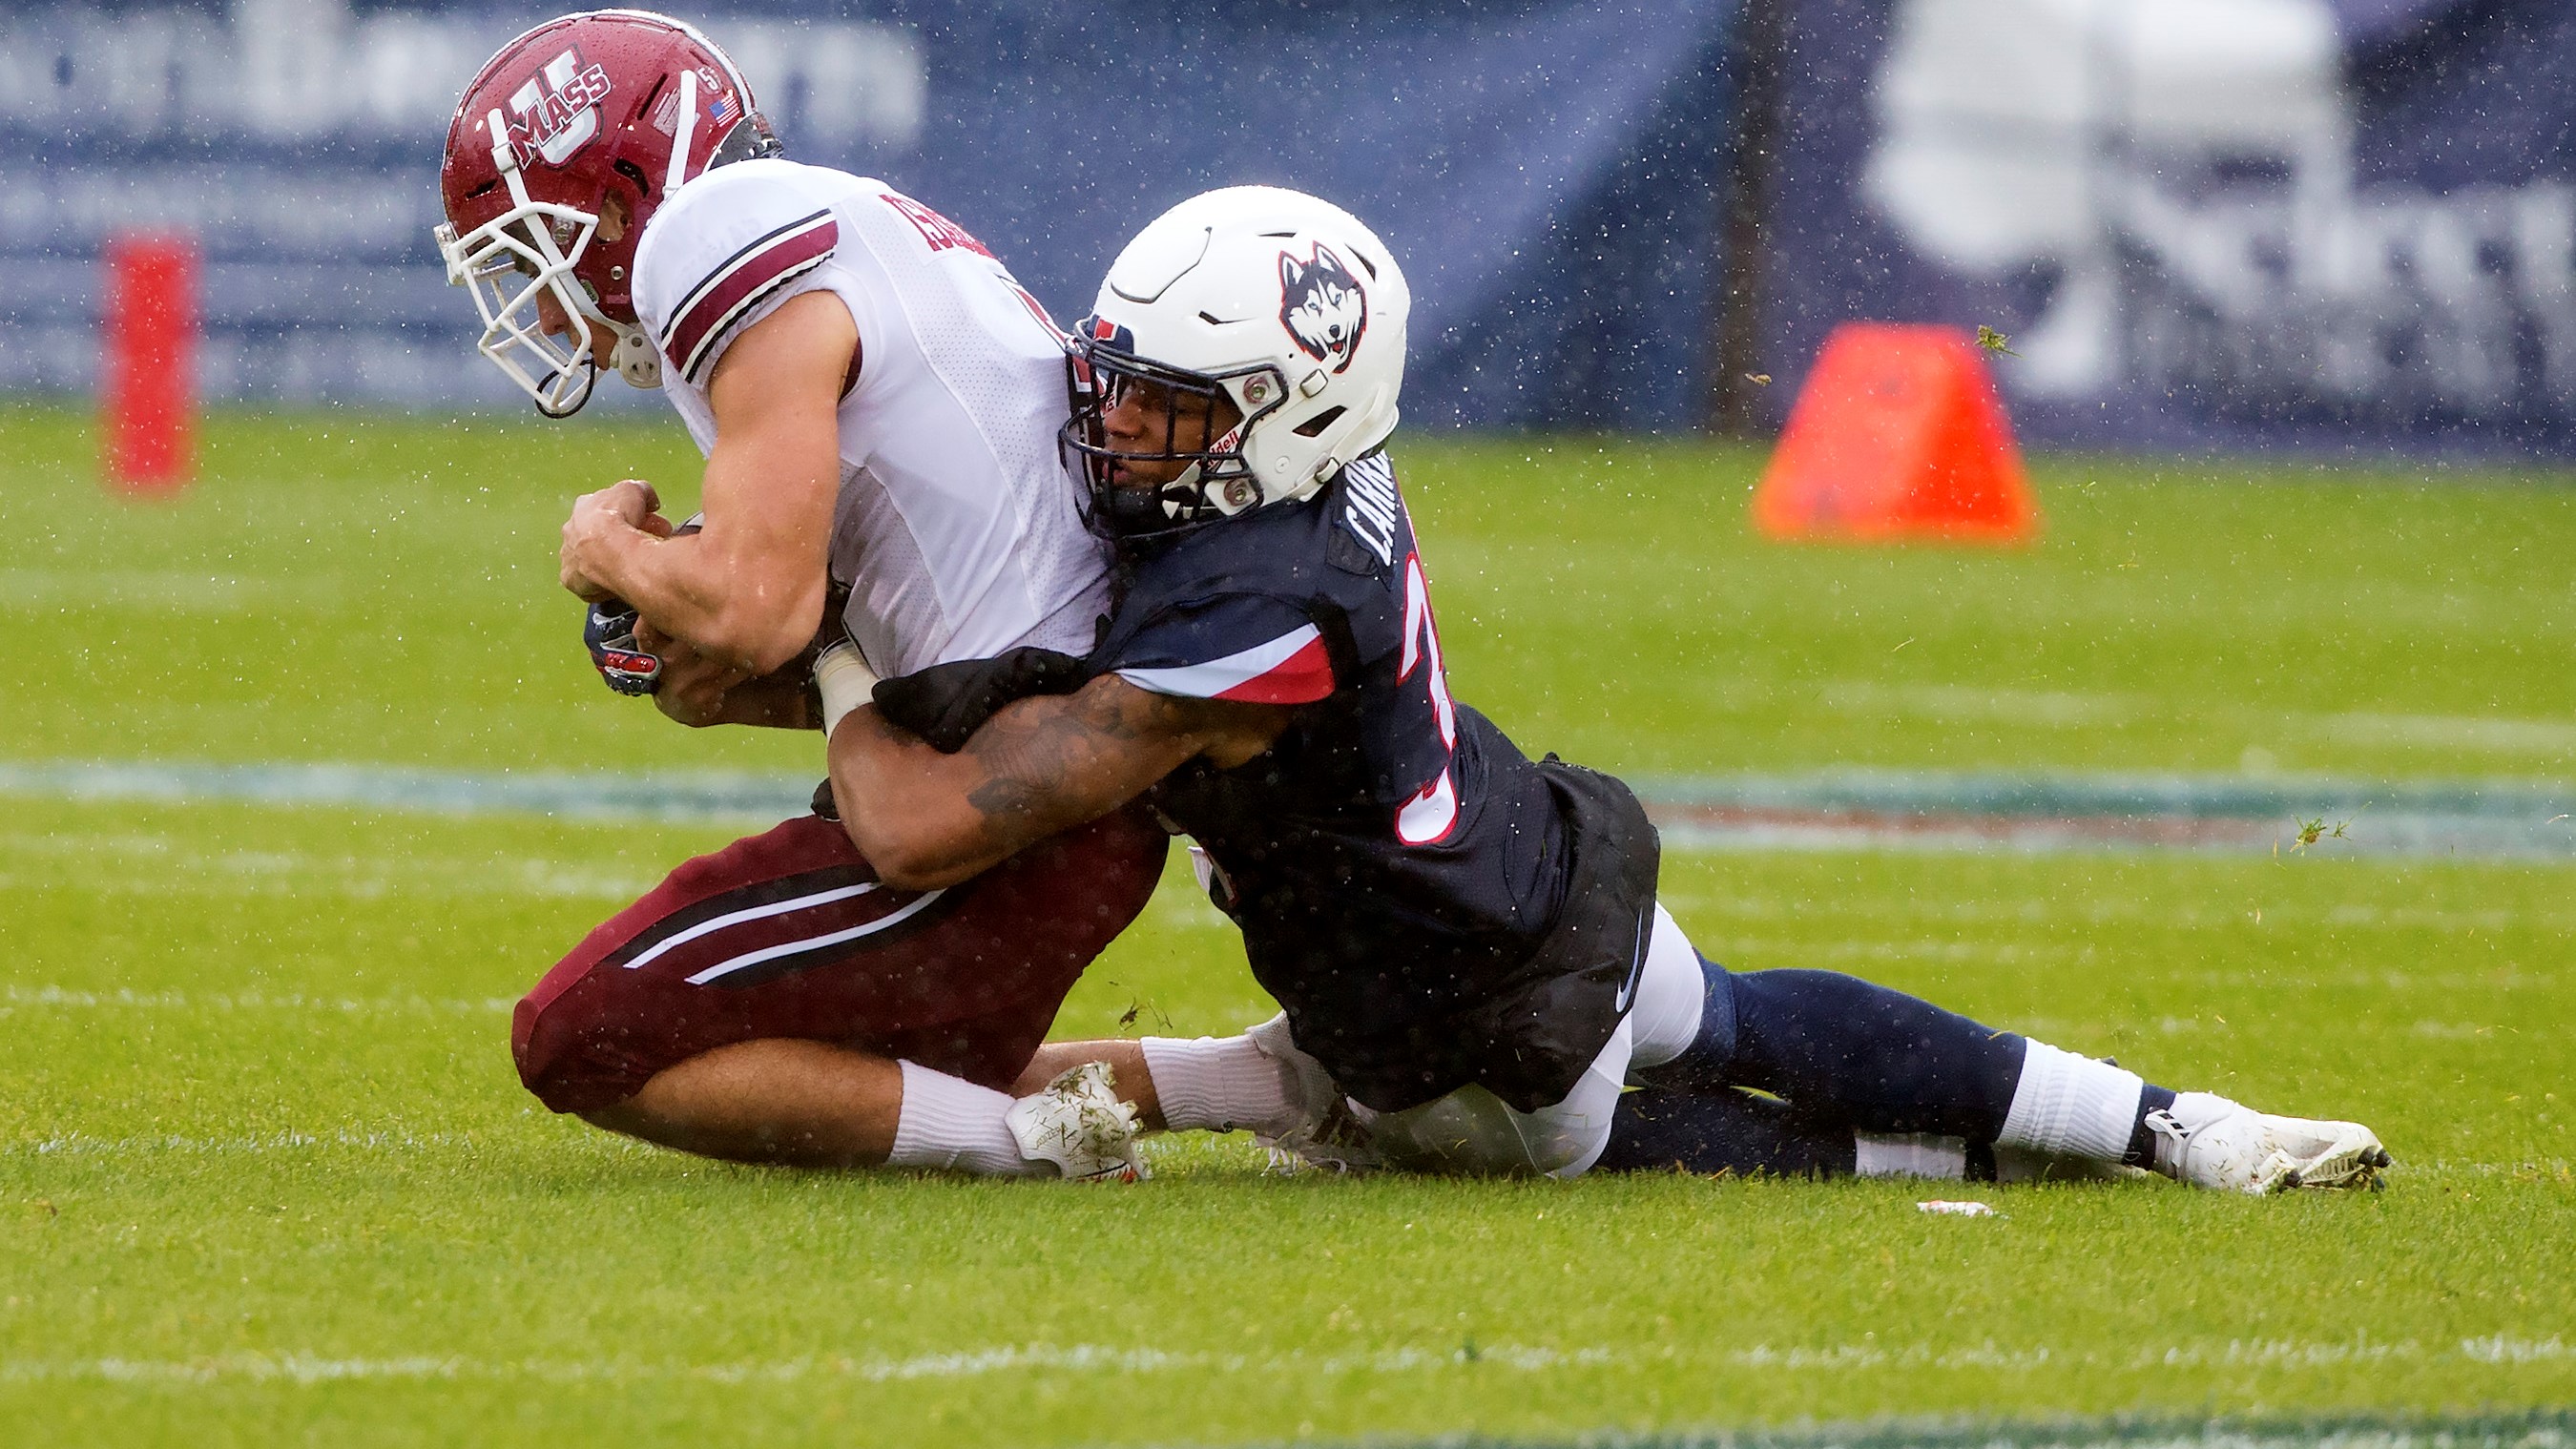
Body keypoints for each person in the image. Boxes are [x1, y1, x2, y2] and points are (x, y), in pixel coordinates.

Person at [822, 185, 2393, 1193]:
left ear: (1289, 416)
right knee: (1738, 1007)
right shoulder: (1302, 495)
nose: (1117, 432)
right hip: (1512, 853)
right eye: (1119, 386)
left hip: (1460, 1001)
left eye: (1169, 410)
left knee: (1624, 1136)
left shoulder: (1261, 600)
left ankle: (2026, 1145)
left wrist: (831, 650)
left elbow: (942, 816)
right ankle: (2168, 1122)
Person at [432, 10, 1164, 1179]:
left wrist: (609, 551)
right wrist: (721, 662)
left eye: (542, 252)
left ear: (623, 204)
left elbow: (757, 610)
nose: (551, 307)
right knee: (851, 1056)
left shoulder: (706, 235)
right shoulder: (840, 220)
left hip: (1008, 807)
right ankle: (1254, 1079)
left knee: (579, 1034)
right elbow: (848, 626)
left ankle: (1032, 1152)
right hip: (1054, 779)